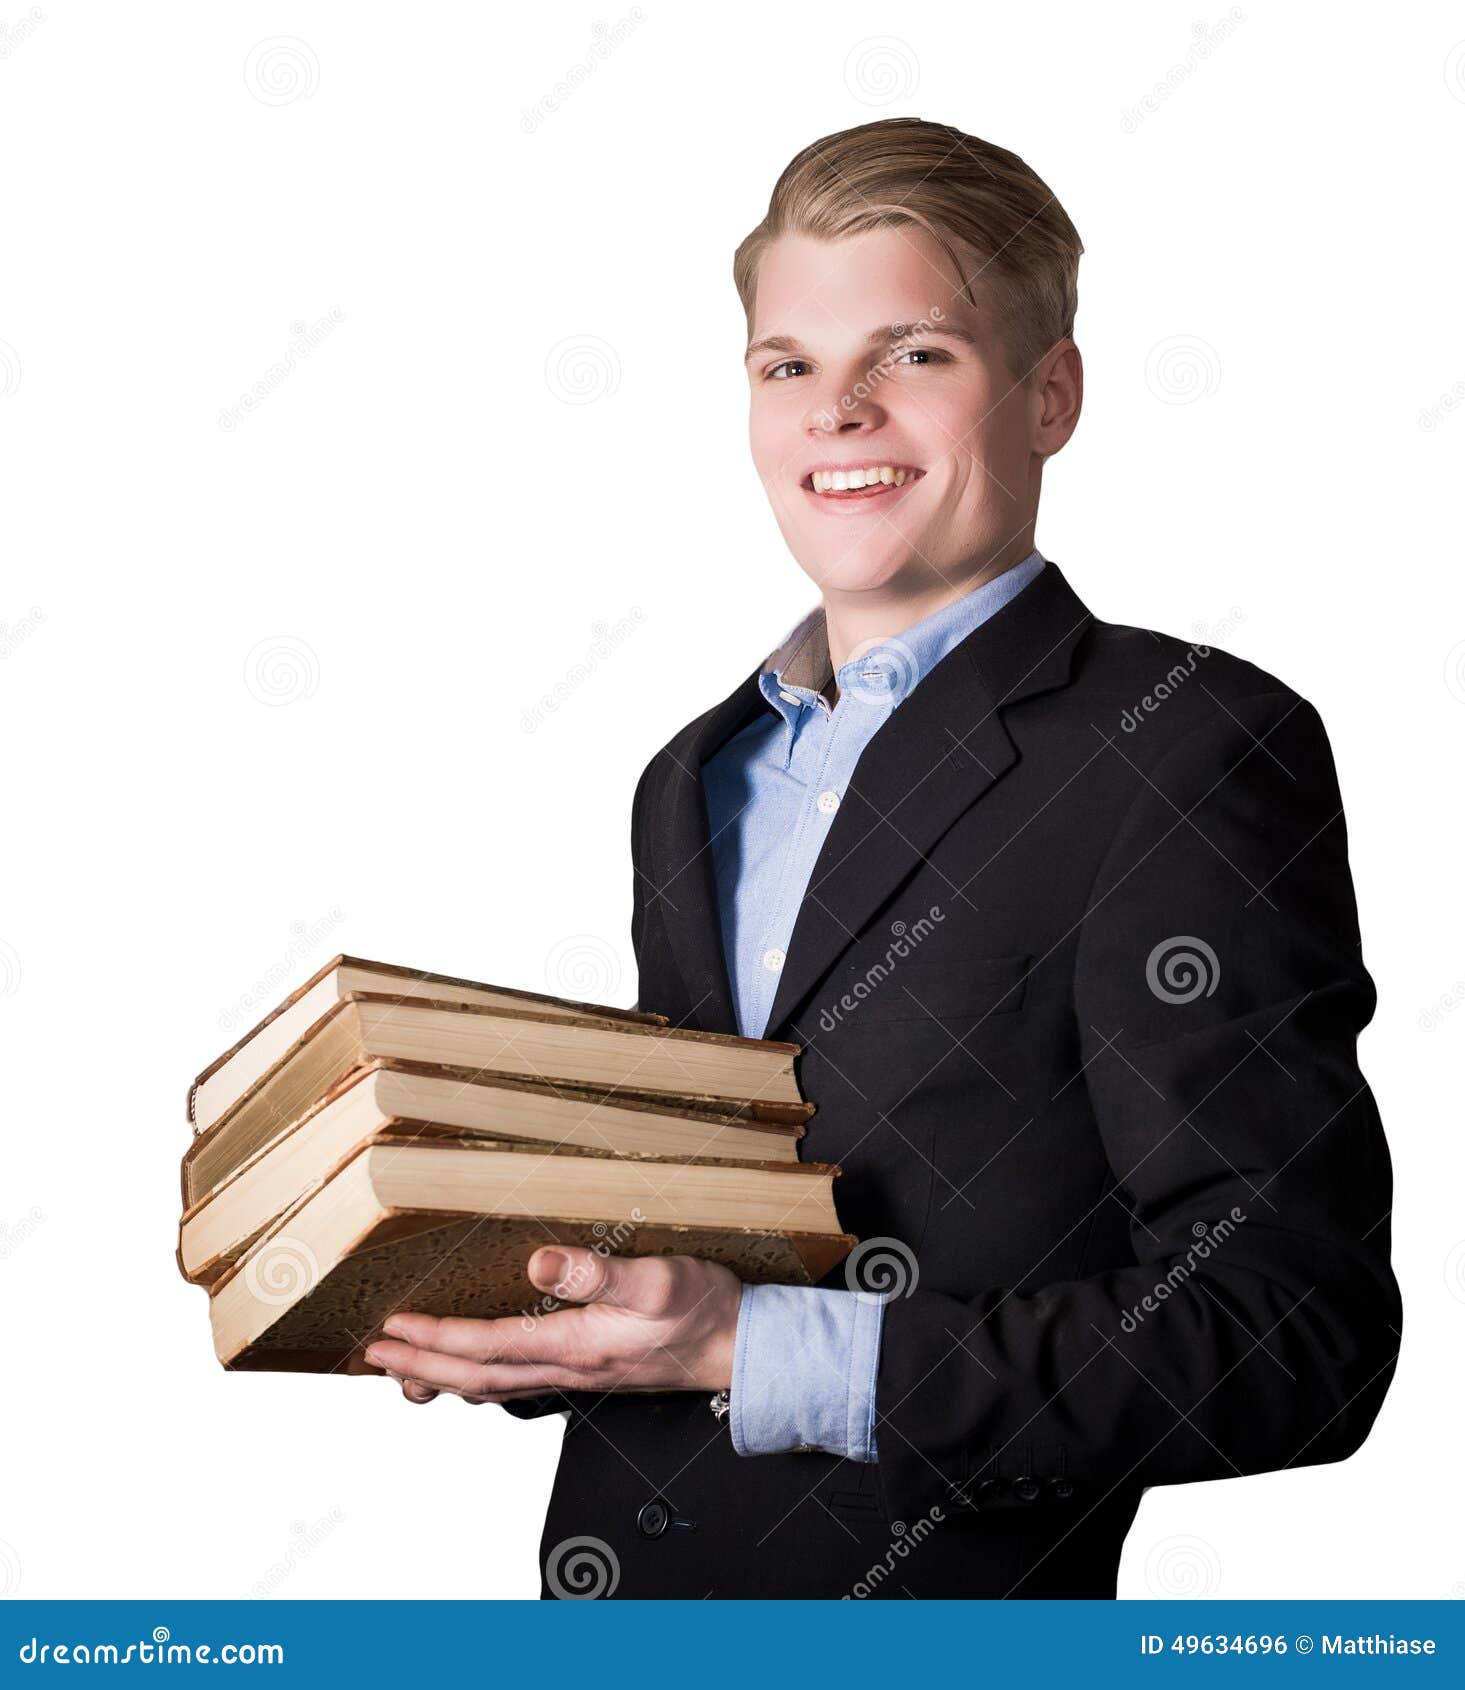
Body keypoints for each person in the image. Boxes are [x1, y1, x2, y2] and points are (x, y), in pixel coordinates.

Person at [364, 117, 1401, 1599]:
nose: (835, 412)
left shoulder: (1181, 744)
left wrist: (748, 1344)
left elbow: (1290, 1337)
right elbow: (705, 1240)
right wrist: (529, 1306)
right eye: (787, 364)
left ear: (1049, 395)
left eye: (911, 354)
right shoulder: (693, 775)